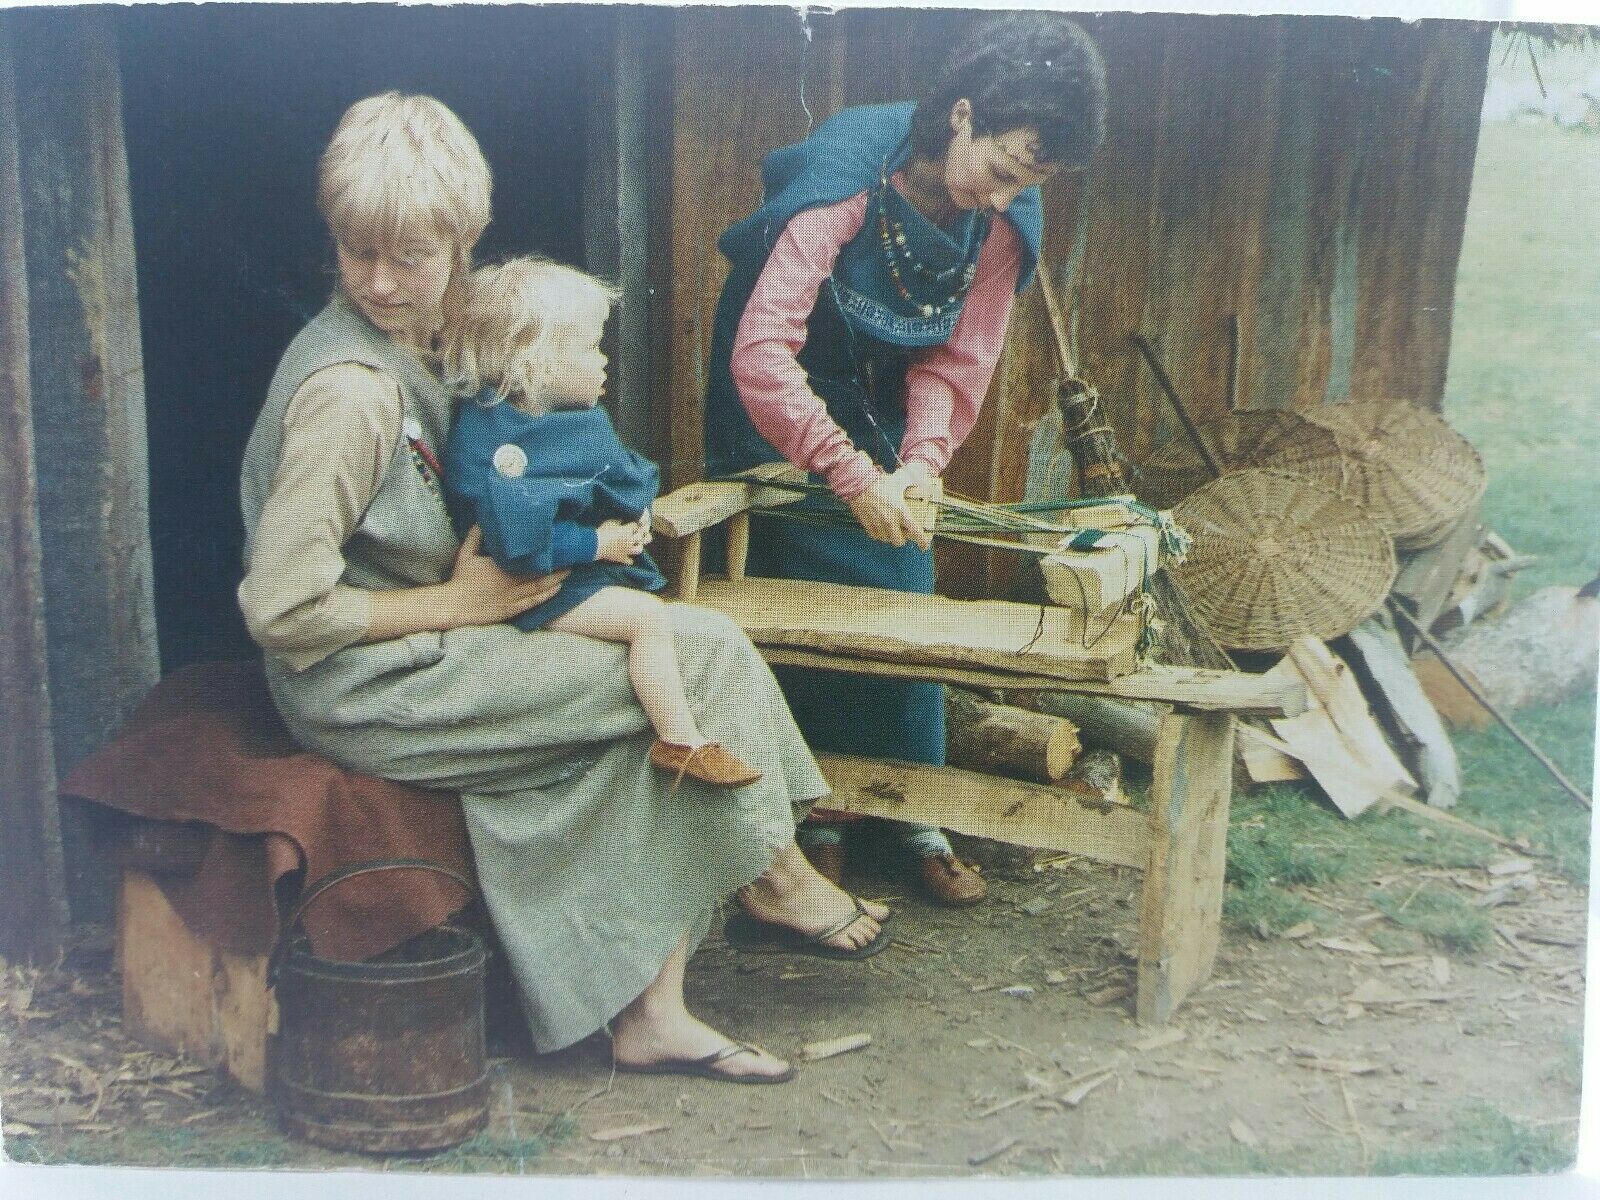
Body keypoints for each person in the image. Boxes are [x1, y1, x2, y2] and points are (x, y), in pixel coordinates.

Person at [238, 92, 889, 1086]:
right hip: (367, 679)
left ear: (464, 241)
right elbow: (281, 612)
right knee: (697, 656)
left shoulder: (429, 334)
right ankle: (769, 872)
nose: (377, 282)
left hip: (449, 642)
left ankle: (655, 1002)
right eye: (354, 252)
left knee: (670, 657)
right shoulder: (349, 393)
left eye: (408, 257)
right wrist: (458, 606)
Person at [704, 13, 1109, 905]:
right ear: (961, 115)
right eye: (1003, 170)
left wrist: (921, 462)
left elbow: (961, 359)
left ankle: (916, 810)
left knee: (905, 562)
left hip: (877, 390)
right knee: (802, 584)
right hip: (775, 388)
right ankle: (821, 818)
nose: (1006, 198)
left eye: (1030, 181)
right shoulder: (847, 175)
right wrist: (849, 475)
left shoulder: (1005, 220)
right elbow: (763, 354)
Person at [441, 258, 761, 789]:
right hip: (525, 586)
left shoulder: (565, 420)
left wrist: (626, 523)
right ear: (534, 358)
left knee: (679, 628)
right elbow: (515, 538)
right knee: (647, 621)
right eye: (590, 347)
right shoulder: (496, 444)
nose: (604, 362)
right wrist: (598, 543)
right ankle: (681, 743)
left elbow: (605, 481)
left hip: (569, 573)